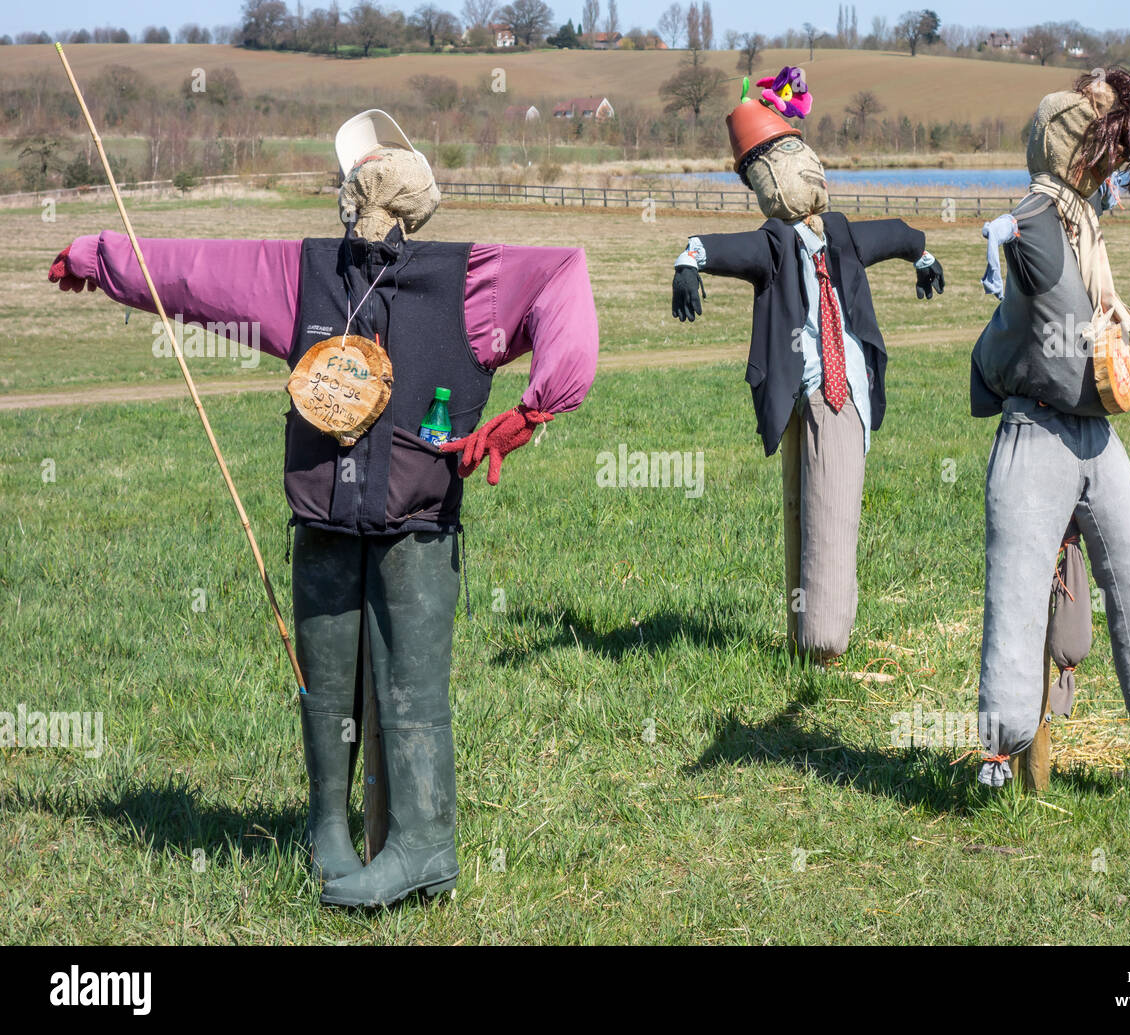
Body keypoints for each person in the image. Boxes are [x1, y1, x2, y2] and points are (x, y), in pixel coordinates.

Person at [48, 110, 600, 902]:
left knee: (414, 689)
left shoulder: (467, 277)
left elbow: (563, 280)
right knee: (325, 687)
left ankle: (423, 845)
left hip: (418, 522)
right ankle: (328, 831)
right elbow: (192, 272)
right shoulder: (304, 271)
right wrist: (101, 259)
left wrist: (536, 406)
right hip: (323, 522)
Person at [669, 78, 944, 663]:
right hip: (799, 394)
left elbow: (894, 234)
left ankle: (825, 644)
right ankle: (805, 639)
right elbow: (719, 246)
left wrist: (923, 255)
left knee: (833, 508)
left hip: (844, 395)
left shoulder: (840, 232)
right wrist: (688, 262)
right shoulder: (773, 243)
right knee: (802, 510)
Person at [969, 70, 1130, 787]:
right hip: (1036, 435)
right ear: (1075, 151)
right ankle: (1004, 743)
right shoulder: (1041, 215)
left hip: (1096, 434)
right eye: (1106, 151)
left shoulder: (1084, 219)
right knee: (1019, 588)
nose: (1115, 165)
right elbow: (1015, 223)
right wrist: (996, 244)